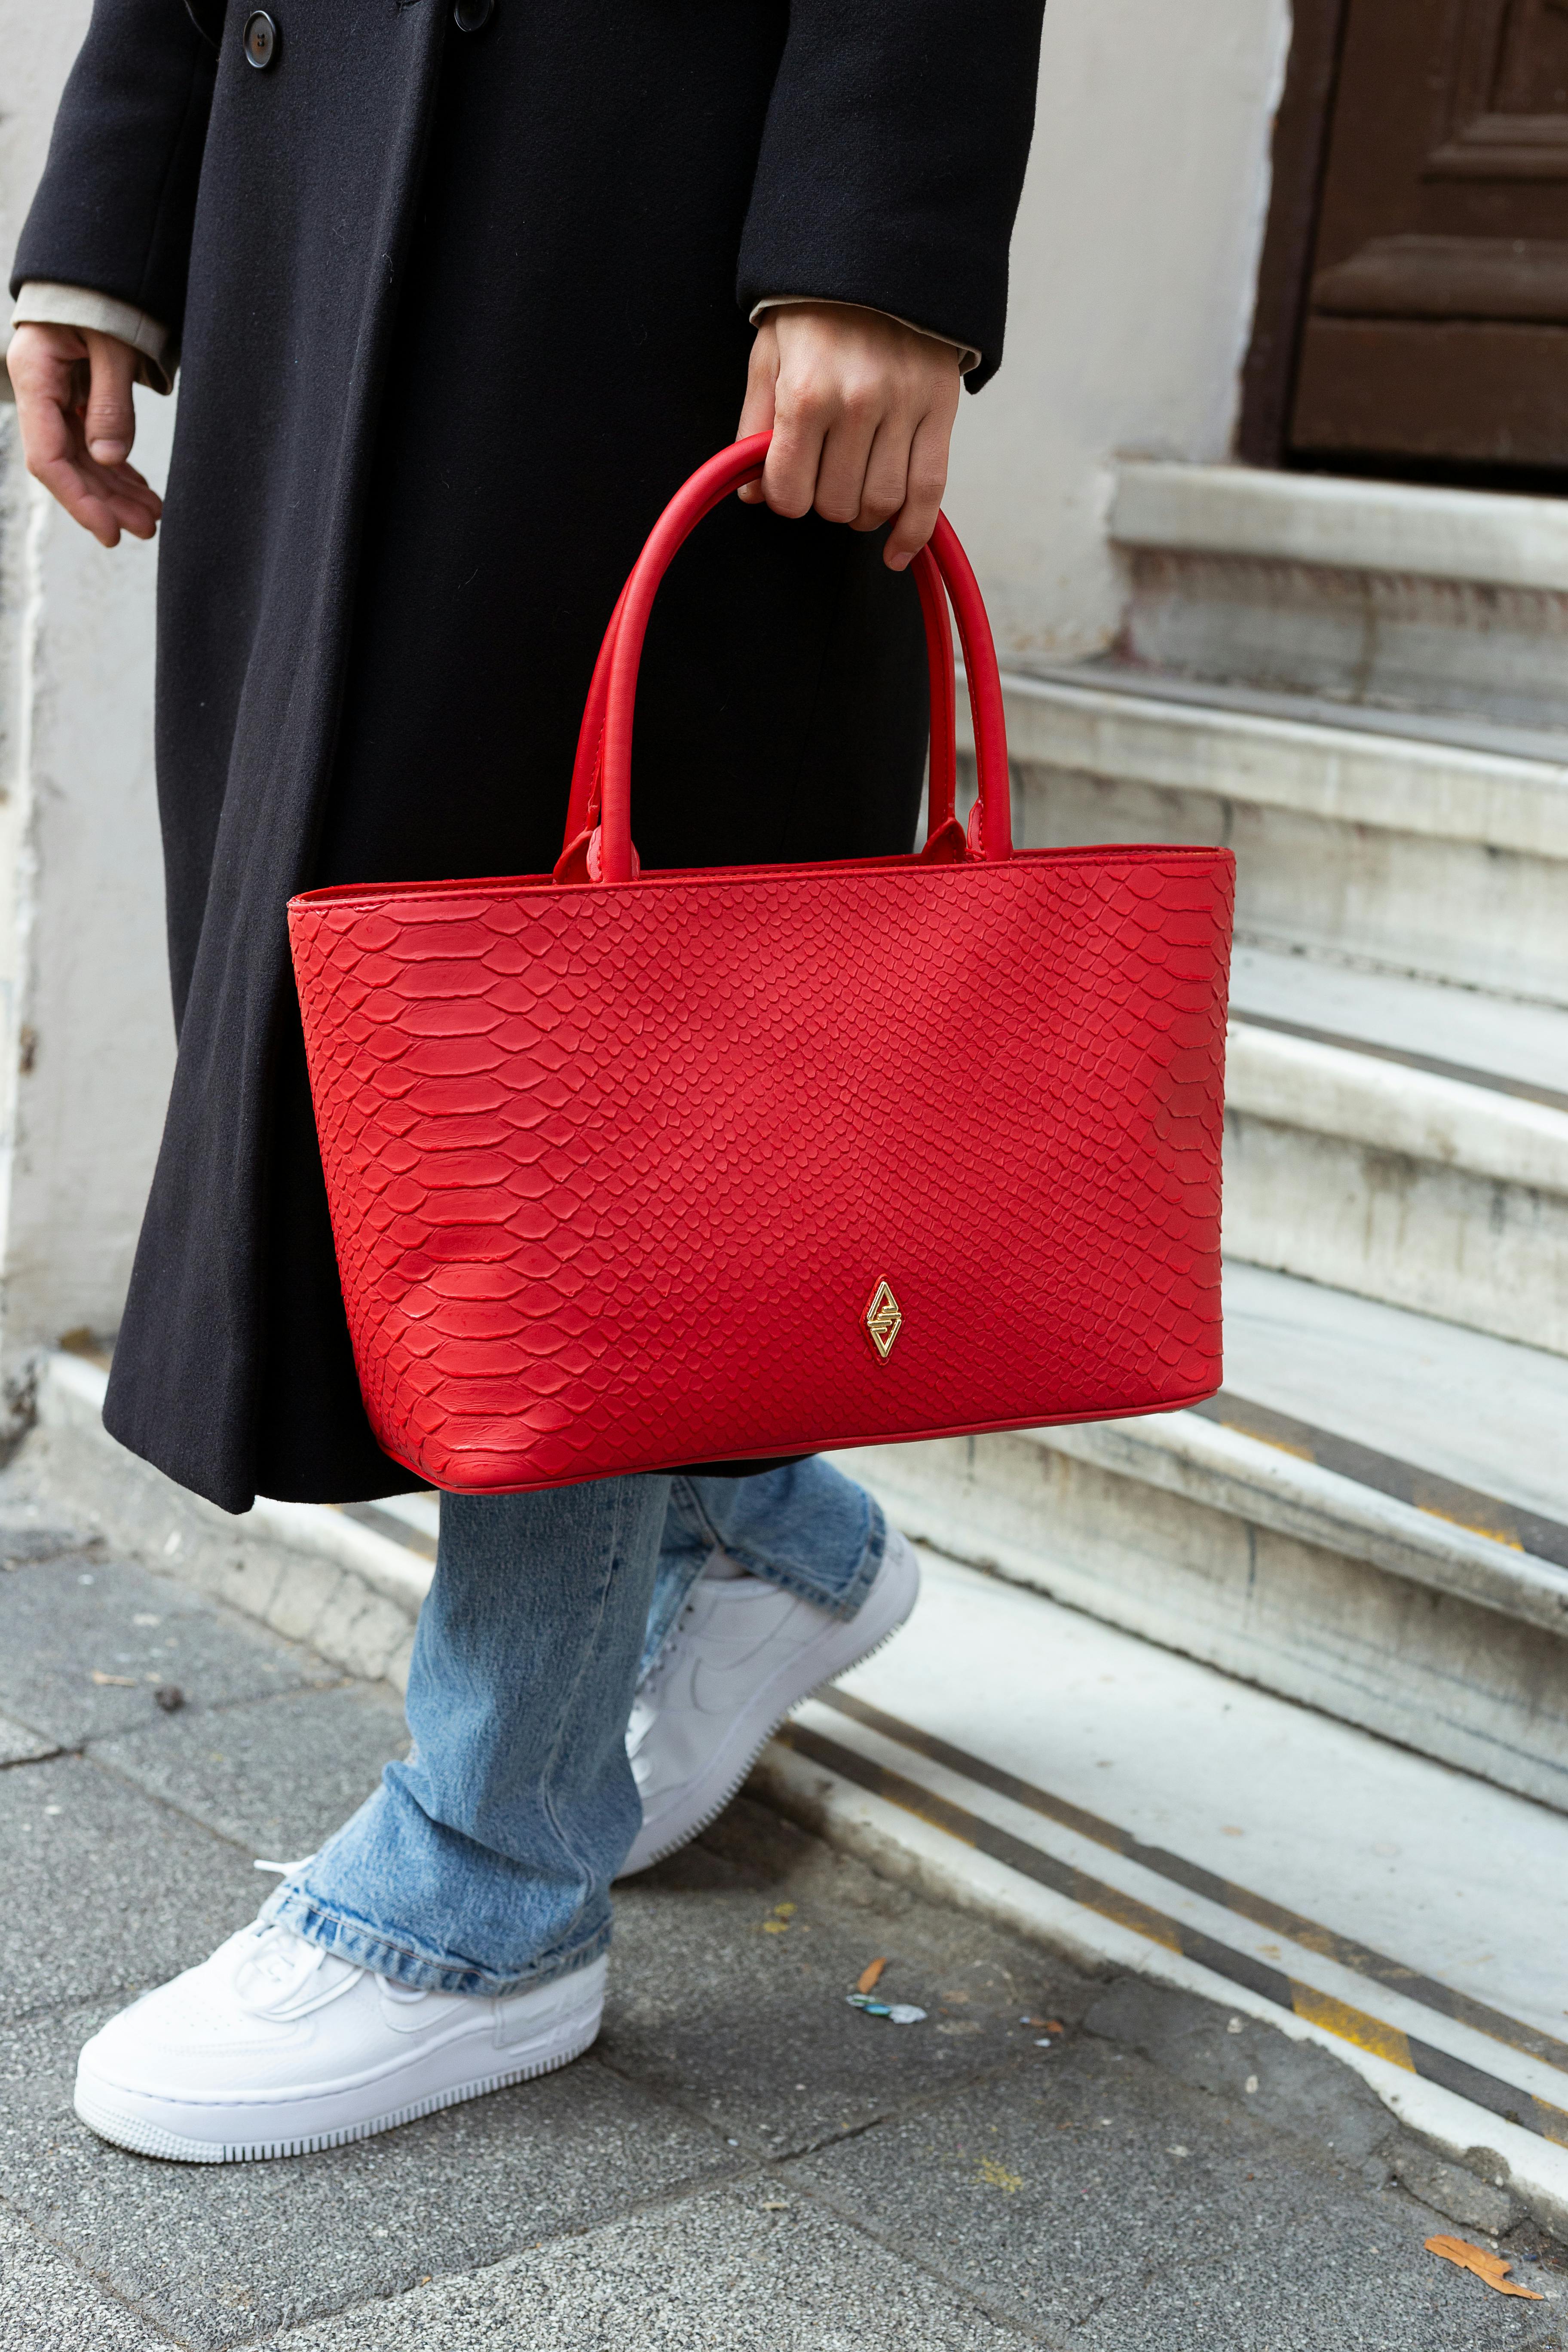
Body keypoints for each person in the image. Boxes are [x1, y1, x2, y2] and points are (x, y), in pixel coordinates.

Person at [7, 0, 1046, 2161]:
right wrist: (118, 198)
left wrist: (884, 222)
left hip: (645, 219)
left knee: (601, 1036)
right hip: (320, 182)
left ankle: (491, 1880)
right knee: (378, 995)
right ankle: (762, 1522)